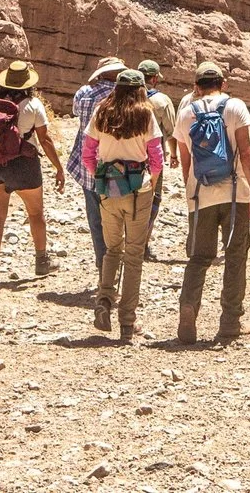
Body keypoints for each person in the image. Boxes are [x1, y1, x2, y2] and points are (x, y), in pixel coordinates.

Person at [175, 60, 250, 343]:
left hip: (201, 197)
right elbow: (246, 153)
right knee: (235, 256)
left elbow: (185, 162)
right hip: (236, 195)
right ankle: (230, 322)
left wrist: (192, 193)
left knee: (199, 257)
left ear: (196, 87)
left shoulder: (186, 112)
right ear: (223, 83)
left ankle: (188, 307)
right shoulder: (235, 107)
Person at [80, 69, 166, 339]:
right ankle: (127, 321)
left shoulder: (101, 112)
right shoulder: (145, 114)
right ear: (141, 88)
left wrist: (100, 177)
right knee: (134, 254)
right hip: (138, 189)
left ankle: (104, 300)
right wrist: (152, 180)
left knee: (111, 250)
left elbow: (87, 152)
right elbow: (156, 155)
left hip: (108, 189)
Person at [0, 60, 65, 282]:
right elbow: (44, 139)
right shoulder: (34, 105)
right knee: (35, 214)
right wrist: (58, 167)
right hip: (24, 165)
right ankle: (41, 262)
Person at [65, 56, 125, 268]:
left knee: (95, 219)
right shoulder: (126, 96)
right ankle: (116, 265)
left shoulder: (83, 93)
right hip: (118, 167)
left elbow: (76, 114)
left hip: (87, 165)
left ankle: (103, 265)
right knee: (118, 218)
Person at [138, 60, 180, 256]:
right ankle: (143, 244)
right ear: (154, 78)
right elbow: (171, 132)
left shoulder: (123, 96)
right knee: (153, 198)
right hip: (152, 159)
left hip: (124, 156)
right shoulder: (162, 100)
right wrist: (174, 155)